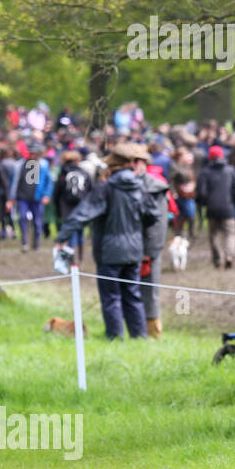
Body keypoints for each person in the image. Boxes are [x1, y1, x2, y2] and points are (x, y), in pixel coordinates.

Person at [54, 142, 162, 340]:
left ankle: (115, 337)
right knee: (133, 295)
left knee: (111, 298)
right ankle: (139, 338)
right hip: (134, 251)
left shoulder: (105, 189)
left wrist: (62, 237)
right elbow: (154, 215)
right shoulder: (140, 188)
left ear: (112, 167)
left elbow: (82, 214)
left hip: (109, 252)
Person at [140, 162, 171, 339]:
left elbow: (158, 225)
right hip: (140, 247)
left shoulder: (155, 187)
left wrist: (150, 252)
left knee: (150, 291)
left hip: (149, 249)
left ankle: (153, 331)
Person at [197, 144, 235, 268]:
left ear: (210, 157)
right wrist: (234, 201)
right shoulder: (230, 170)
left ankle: (218, 259)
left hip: (212, 209)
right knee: (230, 233)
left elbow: (202, 192)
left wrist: (205, 203)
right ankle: (229, 256)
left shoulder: (205, 172)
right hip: (228, 208)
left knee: (213, 235)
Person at [7, 141, 52, 252]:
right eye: (30, 153)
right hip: (23, 198)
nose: (32, 156)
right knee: (22, 218)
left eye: (34, 154)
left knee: (37, 221)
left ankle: (36, 243)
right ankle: (24, 242)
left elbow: (49, 182)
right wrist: (12, 197)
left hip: (37, 198)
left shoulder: (43, 166)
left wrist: (46, 195)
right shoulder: (19, 166)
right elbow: (14, 182)